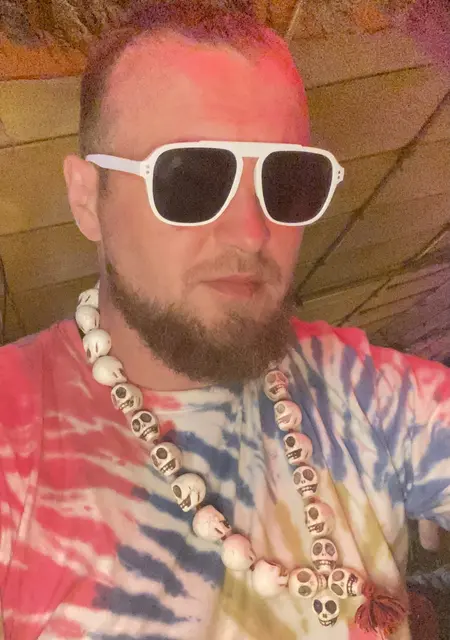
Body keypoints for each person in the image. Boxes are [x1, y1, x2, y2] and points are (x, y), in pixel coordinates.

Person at [0, 2, 449, 638]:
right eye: (190, 178)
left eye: (288, 179)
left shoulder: (364, 392)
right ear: (87, 199)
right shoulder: (14, 436)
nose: (251, 232)